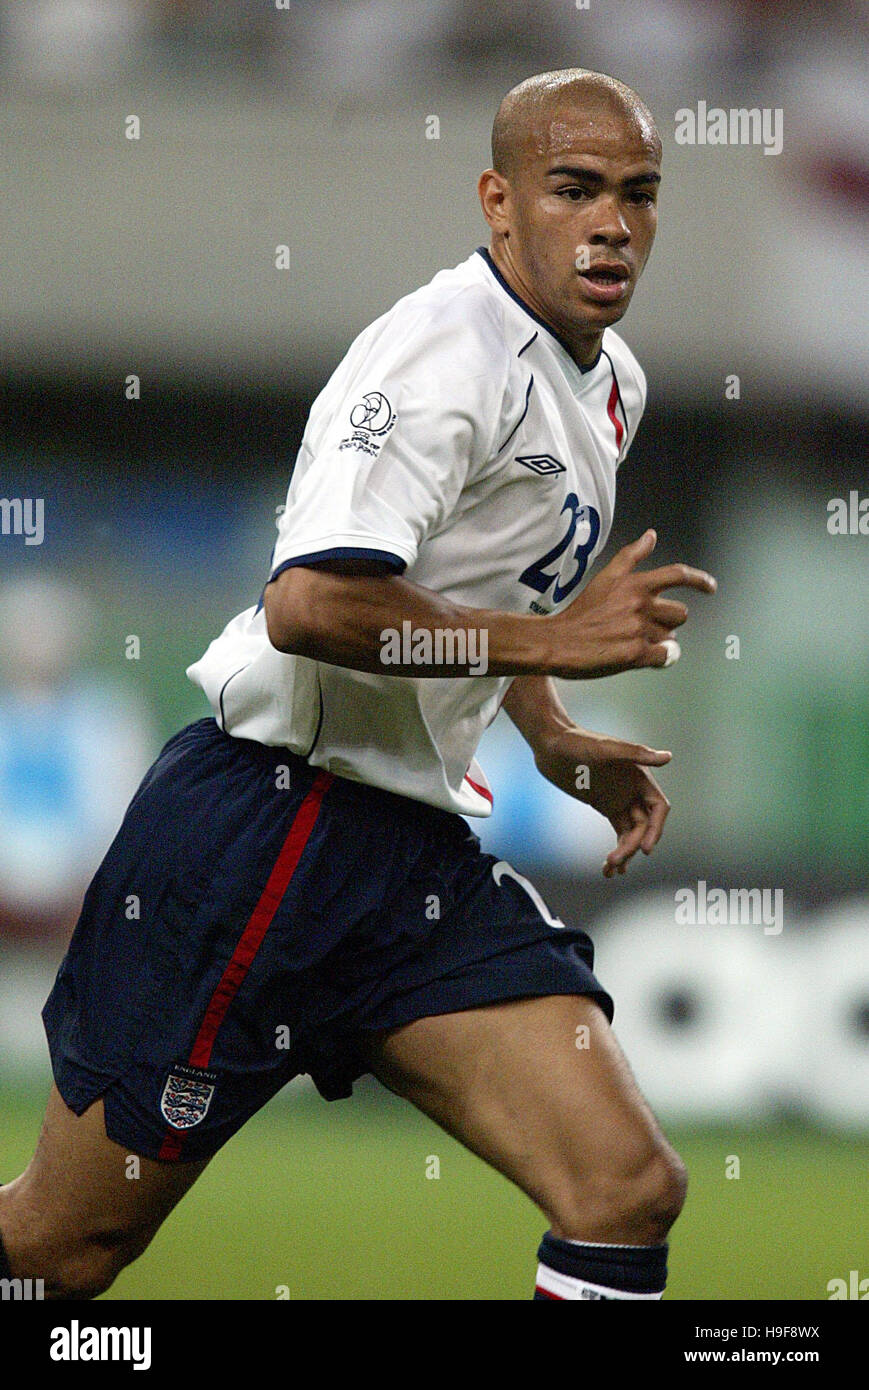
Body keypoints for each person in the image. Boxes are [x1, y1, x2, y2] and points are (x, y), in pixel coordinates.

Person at [0, 69, 716, 1301]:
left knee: (623, 1186)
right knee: (60, 1254)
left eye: (637, 195)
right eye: (574, 190)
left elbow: (485, 587)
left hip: (408, 861)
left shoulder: (612, 386)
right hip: (260, 830)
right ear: (498, 202)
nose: (611, 223)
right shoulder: (438, 356)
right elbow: (315, 604)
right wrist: (546, 652)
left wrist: (544, 729)